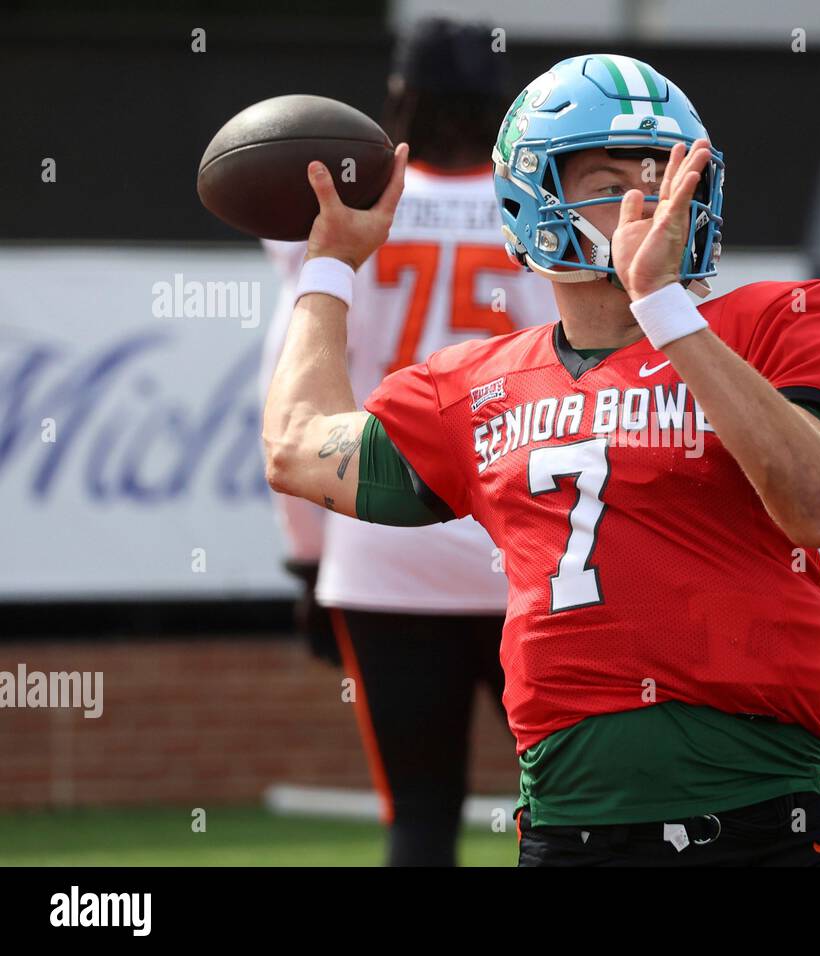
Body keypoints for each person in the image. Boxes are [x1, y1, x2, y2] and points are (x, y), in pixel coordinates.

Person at [262, 54, 820, 866]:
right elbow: (297, 448)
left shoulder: (779, 320)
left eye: (666, 173)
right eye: (610, 177)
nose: (651, 200)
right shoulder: (476, 385)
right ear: (535, 200)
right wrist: (330, 267)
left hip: (771, 820)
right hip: (570, 832)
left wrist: (665, 310)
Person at [258, 18, 558, 866]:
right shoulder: (537, 208)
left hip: (380, 531)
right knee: (579, 808)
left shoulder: (343, 214)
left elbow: (290, 386)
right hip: (526, 542)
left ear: (400, 100)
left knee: (420, 816)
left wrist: (307, 557)